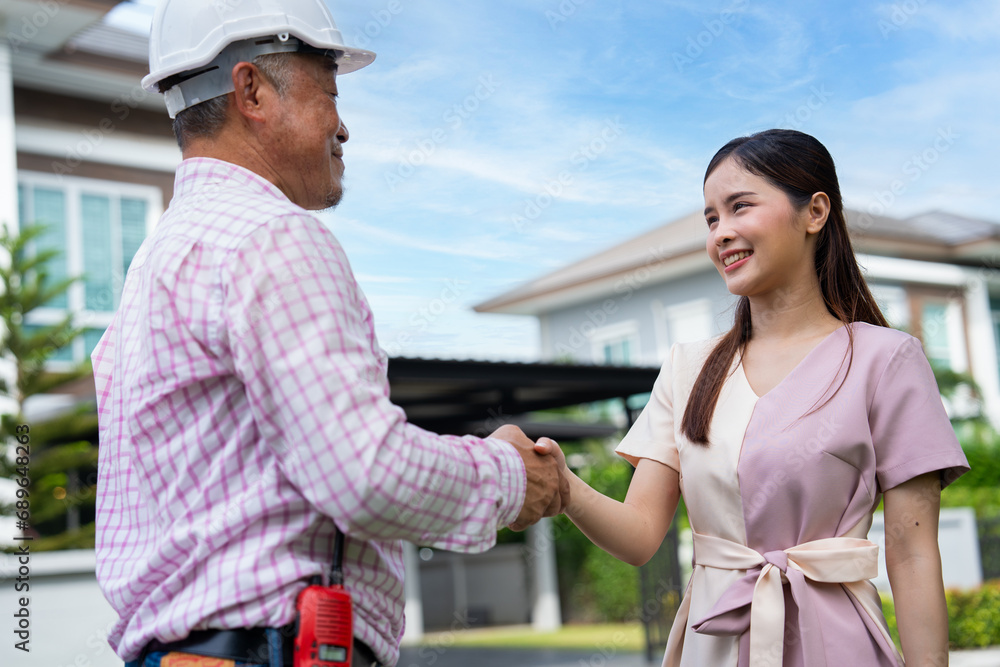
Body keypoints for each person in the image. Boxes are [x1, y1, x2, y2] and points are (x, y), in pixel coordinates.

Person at [92, 1, 568, 666]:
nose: (343, 127)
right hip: (270, 647)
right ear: (251, 90)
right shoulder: (272, 237)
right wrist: (511, 477)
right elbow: (364, 472)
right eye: (330, 94)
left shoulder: (152, 267)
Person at [537, 129, 970, 666]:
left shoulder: (887, 359)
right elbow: (640, 536)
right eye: (712, 218)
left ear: (814, 212)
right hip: (711, 646)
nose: (721, 233)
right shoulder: (686, 368)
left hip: (838, 646)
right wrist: (563, 486)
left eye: (740, 207)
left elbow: (912, 554)